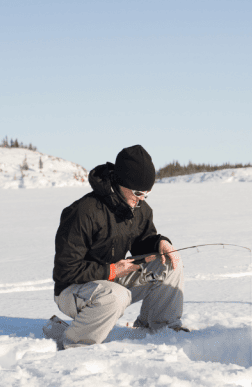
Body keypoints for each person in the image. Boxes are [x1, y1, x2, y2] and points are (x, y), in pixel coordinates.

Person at [46, 145, 187, 350]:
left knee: (169, 263)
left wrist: (160, 243)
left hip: (111, 278)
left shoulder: (138, 208)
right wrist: (111, 270)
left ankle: (160, 329)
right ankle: (75, 343)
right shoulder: (83, 212)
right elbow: (66, 270)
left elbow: (142, 242)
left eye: (146, 194)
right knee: (114, 296)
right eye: (138, 192)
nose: (141, 199)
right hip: (72, 289)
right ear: (121, 183)